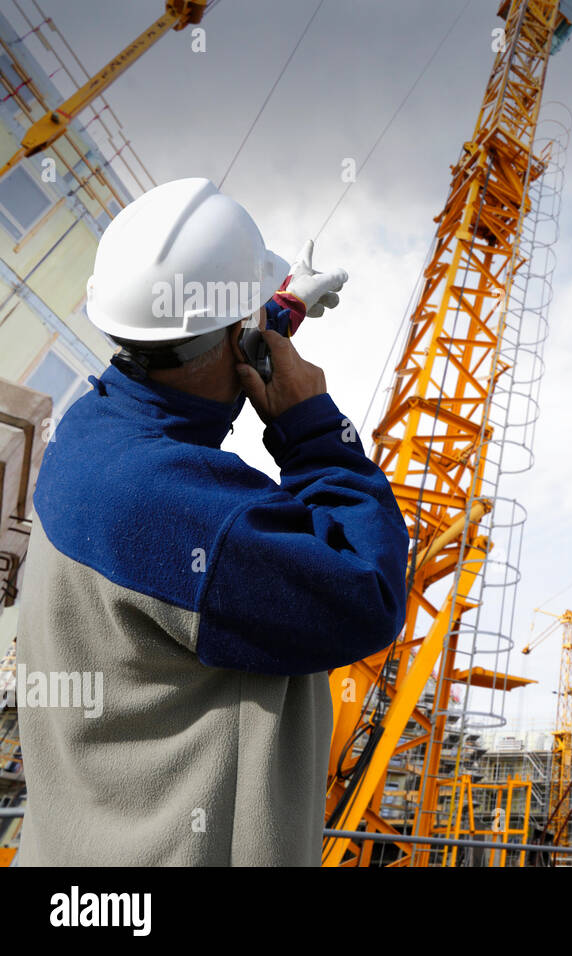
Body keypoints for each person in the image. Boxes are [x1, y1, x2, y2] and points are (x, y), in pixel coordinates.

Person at [14, 177, 409, 866]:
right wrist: (314, 430)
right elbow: (369, 593)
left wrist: (276, 315)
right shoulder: (189, 510)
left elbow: (189, 355)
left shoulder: (90, 431)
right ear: (233, 341)